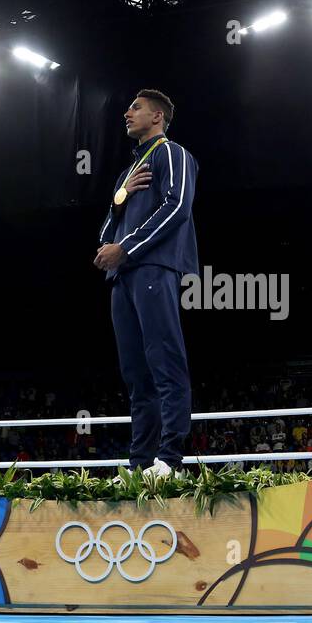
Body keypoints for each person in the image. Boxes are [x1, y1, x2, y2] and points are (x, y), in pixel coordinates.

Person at [94, 89, 198, 477]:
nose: (126, 112)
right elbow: (108, 228)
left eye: (135, 107)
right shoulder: (126, 174)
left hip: (153, 266)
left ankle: (170, 458)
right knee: (135, 373)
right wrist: (116, 216)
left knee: (164, 361)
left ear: (157, 117)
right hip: (122, 276)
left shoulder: (173, 153)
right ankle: (141, 463)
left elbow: (178, 206)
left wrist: (126, 248)